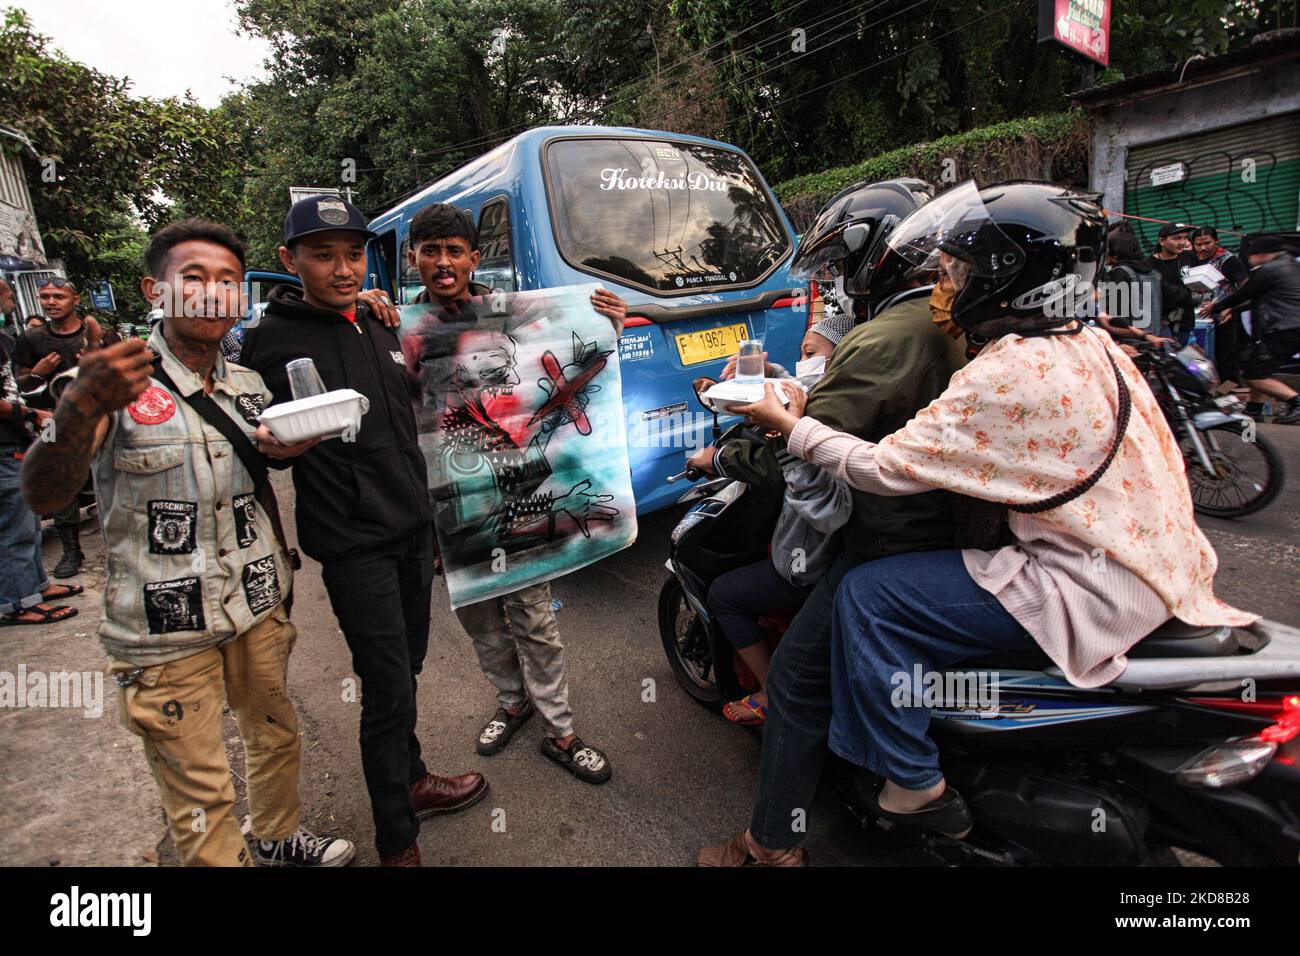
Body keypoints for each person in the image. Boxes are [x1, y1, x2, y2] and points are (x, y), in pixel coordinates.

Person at [733, 181, 1256, 841]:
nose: (945, 284)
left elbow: (884, 469)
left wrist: (787, 424)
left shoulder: (1004, 370)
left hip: (1085, 581)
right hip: (1154, 559)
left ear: (1007, 279)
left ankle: (912, 783)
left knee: (865, 599)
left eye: (956, 271)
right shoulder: (1088, 344)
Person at [20, 219, 356, 866]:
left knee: (275, 734)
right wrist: (79, 408)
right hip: (162, 628)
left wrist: (289, 463)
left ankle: (279, 836)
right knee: (199, 788)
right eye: (193, 278)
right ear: (156, 290)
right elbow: (45, 495)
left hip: (256, 602)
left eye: (228, 281)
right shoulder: (111, 383)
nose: (212, 294)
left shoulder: (249, 387)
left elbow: (263, 473)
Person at [695, 178, 967, 866]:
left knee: (792, 681)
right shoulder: (942, 317)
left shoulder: (886, 336)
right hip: (950, 528)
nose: (841, 282)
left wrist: (733, 446)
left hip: (887, 537)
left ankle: (772, 843)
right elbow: (831, 402)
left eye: (842, 266)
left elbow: (805, 445)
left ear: (872, 254)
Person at [240, 196, 488, 867]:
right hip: (353, 544)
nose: (342, 268)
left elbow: (470, 333)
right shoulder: (269, 342)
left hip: (413, 530)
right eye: (323, 255)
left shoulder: (383, 323)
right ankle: (396, 840)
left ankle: (411, 780)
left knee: (405, 669)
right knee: (386, 688)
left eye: (353, 253)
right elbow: (250, 441)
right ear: (291, 261)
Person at [401, 202, 627, 783]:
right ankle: (511, 702)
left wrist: (608, 322)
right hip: (453, 510)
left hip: (522, 501)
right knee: (479, 620)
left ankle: (560, 729)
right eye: (431, 251)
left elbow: (581, 350)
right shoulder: (400, 331)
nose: (443, 262)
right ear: (413, 259)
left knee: (534, 618)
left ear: (475, 257)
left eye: (455, 250)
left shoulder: (517, 318)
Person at [688, 316, 854, 726]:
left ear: (845, 359)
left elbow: (818, 503)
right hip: (816, 552)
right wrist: (767, 377)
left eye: (811, 355)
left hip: (811, 563)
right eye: (801, 354)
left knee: (725, 595)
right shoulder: (831, 398)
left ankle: (769, 693)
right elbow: (803, 391)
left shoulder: (829, 419)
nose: (803, 363)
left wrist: (780, 437)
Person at [11, 277, 104, 578]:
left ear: (75, 299)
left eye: (58, 296)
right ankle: (71, 549)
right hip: (51, 419)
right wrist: (38, 374)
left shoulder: (97, 334)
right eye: (45, 297)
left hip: (98, 419)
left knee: (110, 473)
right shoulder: (31, 340)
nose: (51, 302)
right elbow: (15, 385)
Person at [1, 320, 83, 627]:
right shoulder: (30, 339)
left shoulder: (6, 339)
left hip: (25, 437)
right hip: (14, 439)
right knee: (14, 530)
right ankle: (19, 603)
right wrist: (31, 411)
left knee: (28, 521)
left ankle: (36, 587)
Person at [1203, 236, 1300, 424]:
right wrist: (1231, 309)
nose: (1248, 261)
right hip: (1286, 327)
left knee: (1254, 375)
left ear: (1261, 255)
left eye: (1250, 256)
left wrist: (1216, 308)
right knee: (1257, 368)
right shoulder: (1290, 266)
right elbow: (1253, 298)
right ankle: (1254, 409)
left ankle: (1296, 402)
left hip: (1284, 328)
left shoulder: (1271, 269)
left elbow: (1244, 294)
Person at [1097, 224, 1169, 349]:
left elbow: (1115, 317)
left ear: (1115, 254)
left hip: (1127, 345)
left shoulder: (1118, 273)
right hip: (1152, 343)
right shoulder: (1154, 273)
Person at [1144, 222, 1196, 345]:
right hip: (1161, 325)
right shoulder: (1148, 264)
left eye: (1185, 238)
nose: (1183, 242)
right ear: (1162, 241)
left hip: (1186, 322)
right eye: (1177, 238)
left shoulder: (1189, 257)